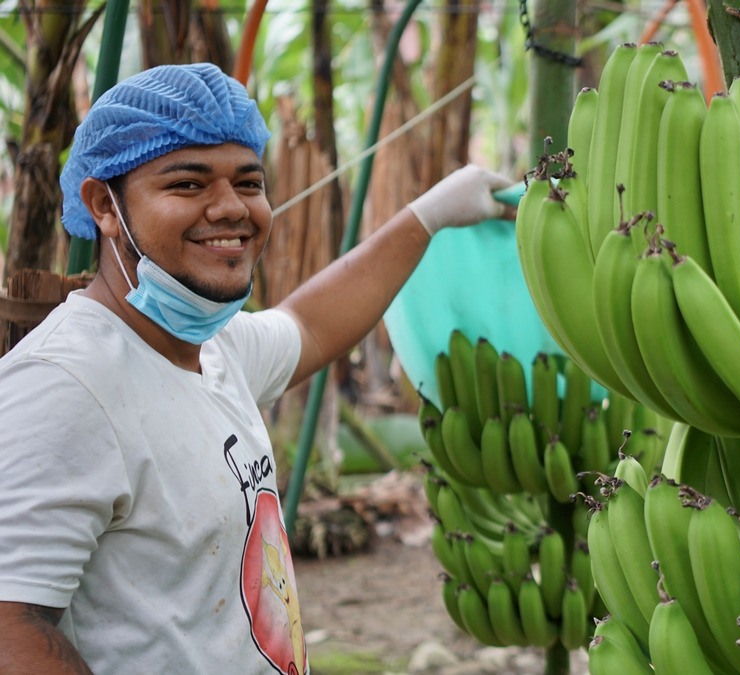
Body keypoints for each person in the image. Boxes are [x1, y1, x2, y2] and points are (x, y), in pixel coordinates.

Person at [0, 63, 513, 673]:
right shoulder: (64, 385)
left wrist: (427, 216)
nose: (230, 209)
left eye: (248, 183)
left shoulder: (212, 349)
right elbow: (12, 630)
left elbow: (312, 323)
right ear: (103, 206)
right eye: (187, 184)